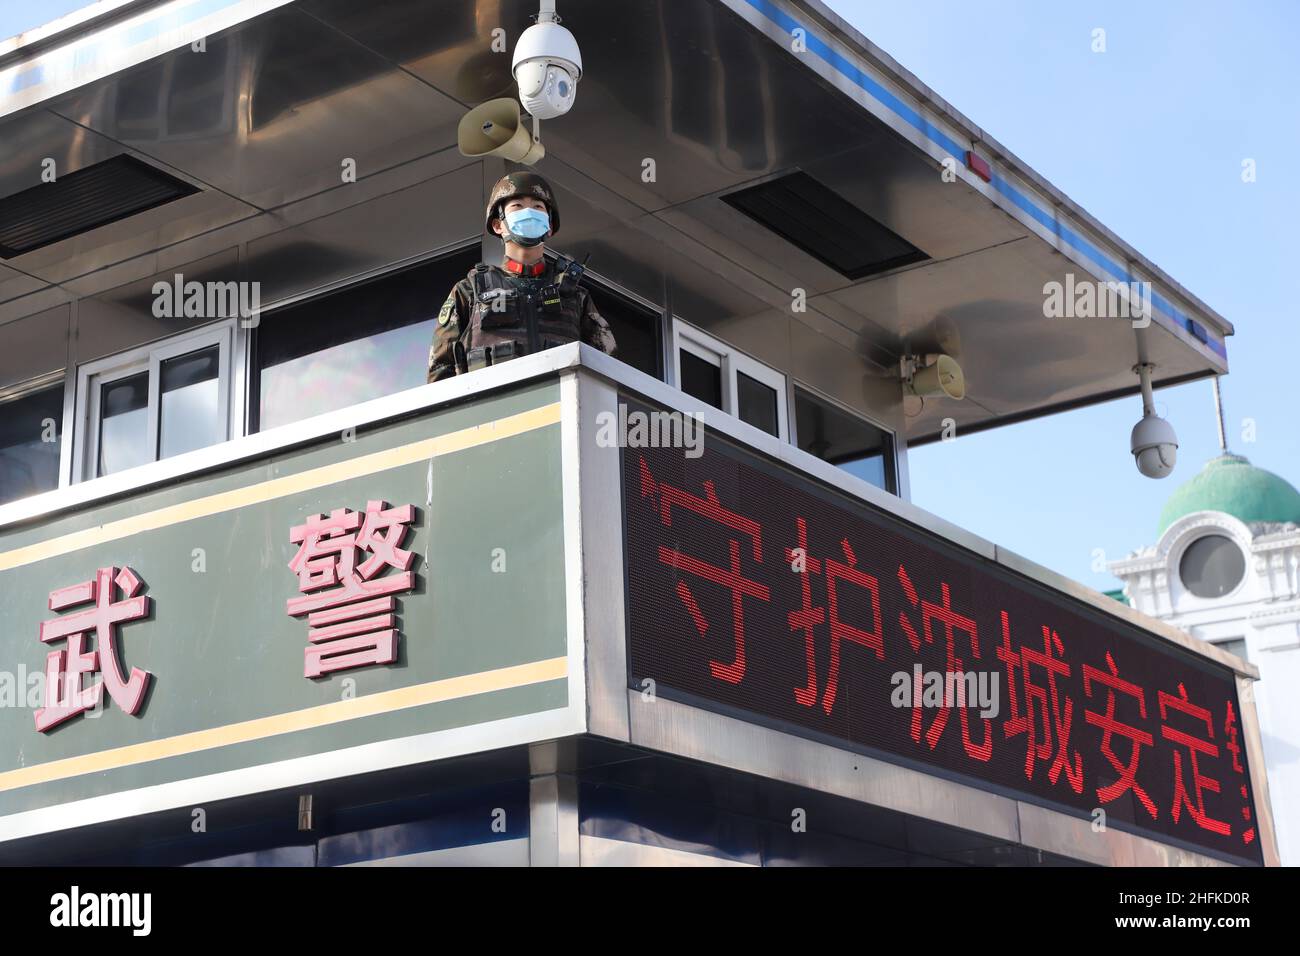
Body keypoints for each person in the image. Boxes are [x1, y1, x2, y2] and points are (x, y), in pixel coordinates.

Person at [427, 171, 616, 382]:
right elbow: (440, 373)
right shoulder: (469, 291)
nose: (529, 212)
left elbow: (606, 370)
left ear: (550, 226)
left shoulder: (575, 296)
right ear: (498, 225)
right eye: (517, 206)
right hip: (491, 412)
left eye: (538, 207)